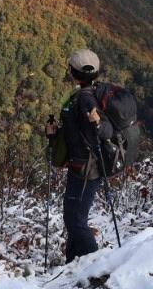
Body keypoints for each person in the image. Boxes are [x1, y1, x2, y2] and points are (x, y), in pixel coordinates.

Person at [47, 48, 115, 262]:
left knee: (75, 220)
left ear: (74, 72)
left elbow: (107, 131)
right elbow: (77, 132)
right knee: (73, 218)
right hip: (80, 166)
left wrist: (98, 123)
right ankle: (72, 266)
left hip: (87, 168)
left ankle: (97, 265)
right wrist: (54, 134)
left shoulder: (86, 99)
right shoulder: (85, 94)